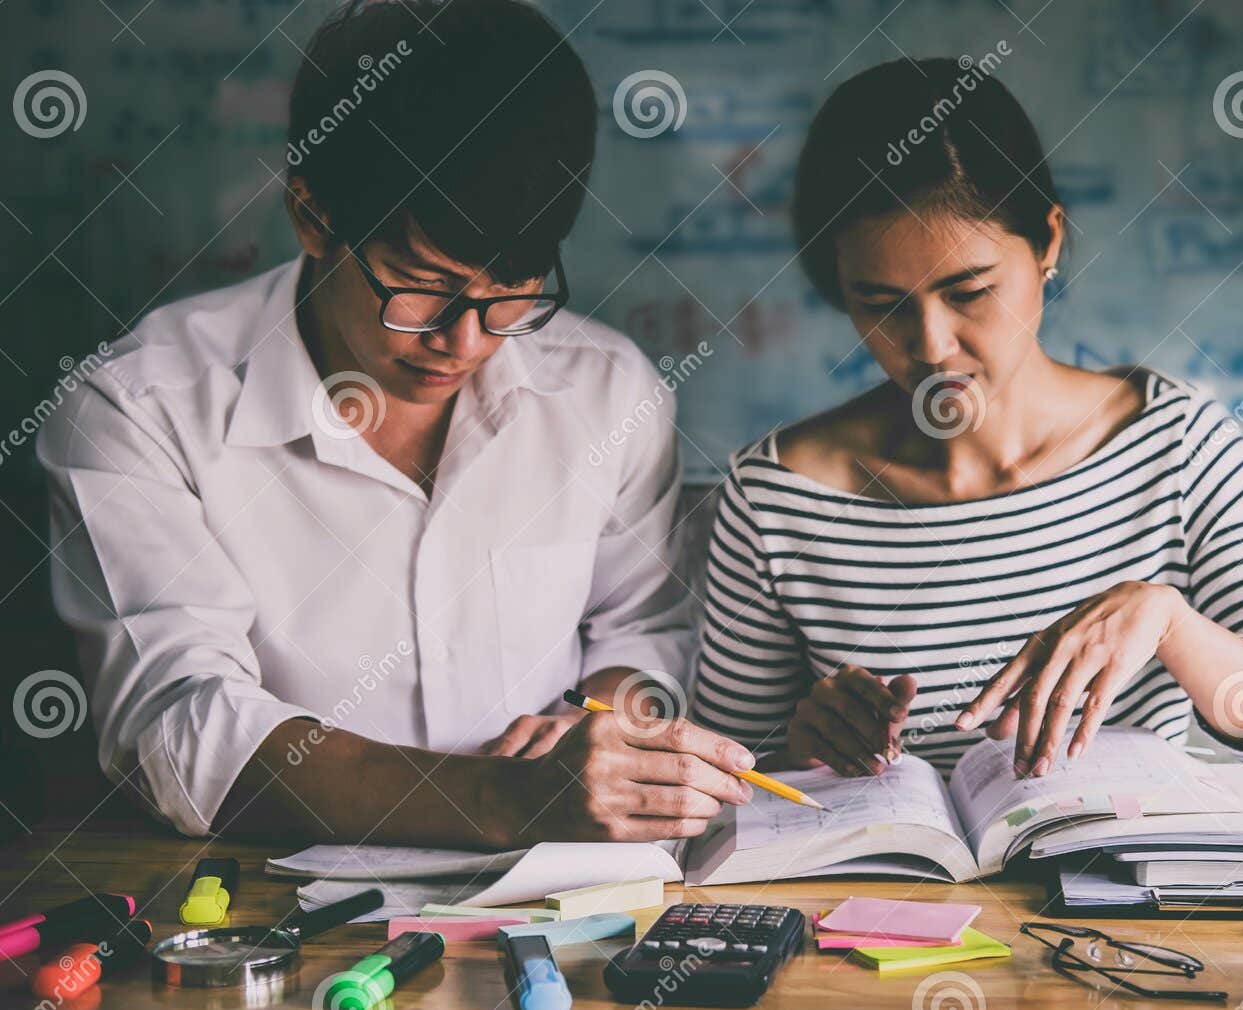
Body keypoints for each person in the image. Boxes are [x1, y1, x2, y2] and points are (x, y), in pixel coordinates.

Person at [37, 0, 754, 848]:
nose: (465, 339)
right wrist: (505, 800)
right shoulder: (140, 409)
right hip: (266, 906)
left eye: (512, 290)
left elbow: (643, 628)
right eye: (421, 284)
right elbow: (182, 726)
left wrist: (593, 729)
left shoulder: (607, 392)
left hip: (562, 897)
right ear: (311, 215)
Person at [690, 58, 1243, 782]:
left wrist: (1174, 625)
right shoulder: (774, 496)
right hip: (887, 897)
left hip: (1120, 894)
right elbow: (710, 790)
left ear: (1047, 243)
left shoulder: (1177, 448)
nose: (931, 346)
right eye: (881, 303)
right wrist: (801, 748)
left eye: (970, 291)